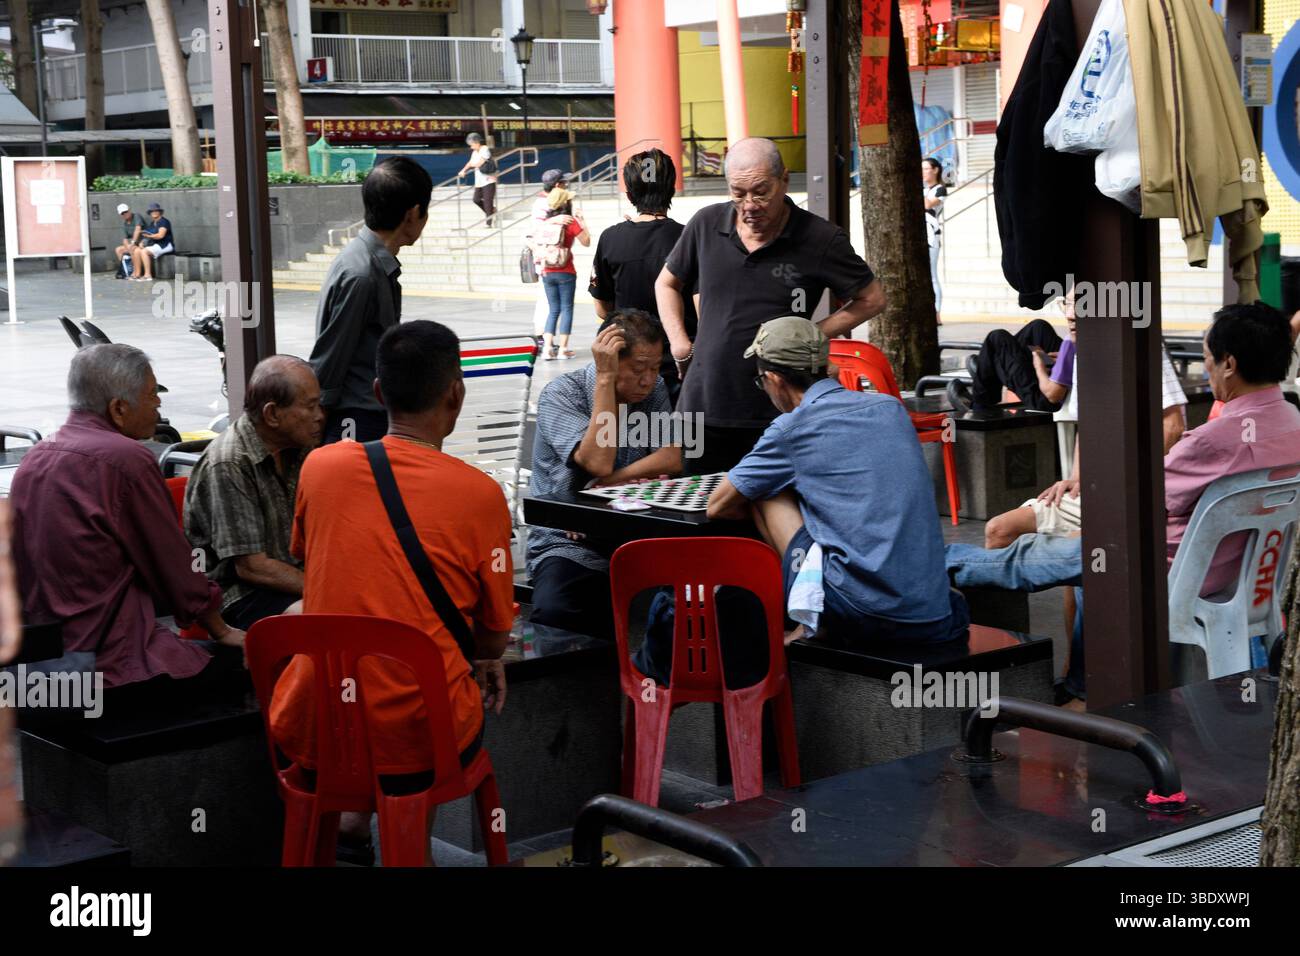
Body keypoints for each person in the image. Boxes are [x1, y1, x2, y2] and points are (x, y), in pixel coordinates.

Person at [946, 302, 1300, 701]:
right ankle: (1082, 689)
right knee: (1079, 569)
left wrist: (1094, 524)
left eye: (1207, 360)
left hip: (1160, 571)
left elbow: (1134, 505)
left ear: (1229, 364)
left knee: (1033, 553)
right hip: (1243, 577)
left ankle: (939, 565)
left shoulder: (1214, 442)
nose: (1206, 370)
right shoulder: (1293, 423)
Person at [270, 320, 513, 862]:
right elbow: (494, 637)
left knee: (378, 687)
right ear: (457, 392)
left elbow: (322, 566)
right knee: (426, 697)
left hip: (316, 721)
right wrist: (486, 656)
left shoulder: (319, 466)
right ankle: (409, 850)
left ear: (378, 393)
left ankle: (354, 828)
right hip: (416, 733)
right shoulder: (480, 494)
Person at [9, 344, 245, 691]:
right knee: (253, 665)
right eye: (152, 394)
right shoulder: (126, 460)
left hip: (39, 663)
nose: (158, 404)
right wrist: (221, 628)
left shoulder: (36, 457)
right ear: (118, 408)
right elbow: (175, 566)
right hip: (107, 666)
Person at [655, 137, 886, 473]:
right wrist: (679, 343)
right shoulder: (705, 224)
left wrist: (810, 333)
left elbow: (872, 299)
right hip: (703, 402)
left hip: (777, 407)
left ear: (785, 180)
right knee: (702, 512)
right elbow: (666, 283)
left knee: (771, 514)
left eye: (761, 191)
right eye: (738, 193)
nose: (749, 205)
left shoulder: (820, 238)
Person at [981, 295, 1188, 548]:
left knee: (1072, 546)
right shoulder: (1083, 353)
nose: (1070, 314)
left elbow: (1173, 426)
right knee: (998, 529)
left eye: (1081, 302)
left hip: (1134, 494)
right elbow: (1087, 426)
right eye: (1066, 304)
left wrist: (1127, 484)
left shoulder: (1141, 349)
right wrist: (1076, 477)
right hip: (1096, 487)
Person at [527, 311, 682, 639]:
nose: (648, 379)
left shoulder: (652, 392)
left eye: (655, 368)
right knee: (556, 612)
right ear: (608, 362)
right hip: (565, 541)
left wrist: (607, 483)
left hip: (632, 535)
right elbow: (597, 461)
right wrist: (604, 381)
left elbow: (671, 456)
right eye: (638, 369)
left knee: (687, 602)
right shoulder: (561, 394)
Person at [184, 356, 325, 631]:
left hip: (291, 576)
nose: (320, 415)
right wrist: (326, 590)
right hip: (239, 592)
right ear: (272, 414)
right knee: (321, 623)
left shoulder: (300, 446)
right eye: (310, 406)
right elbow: (251, 567)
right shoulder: (230, 462)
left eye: (319, 404)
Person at [310, 156, 432, 444]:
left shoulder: (371, 263)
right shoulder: (362, 274)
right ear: (412, 214)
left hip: (367, 411)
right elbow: (330, 356)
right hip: (354, 417)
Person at [590, 148, 697, 406]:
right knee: (679, 441)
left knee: (630, 442)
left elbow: (603, 309)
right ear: (671, 188)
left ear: (629, 193)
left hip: (627, 368)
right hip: (681, 369)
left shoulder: (610, 238)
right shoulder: (690, 238)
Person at [533, 180, 590, 361]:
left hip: (547, 270)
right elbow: (586, 241)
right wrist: (582, 221)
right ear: (566, 202)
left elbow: (533, 238)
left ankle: (548, 349)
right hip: (566, 270)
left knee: (553, 309)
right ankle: (563, 349)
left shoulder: (546, 222)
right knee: (567, 308)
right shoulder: (569, 221)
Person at [922, 158, 947, 322]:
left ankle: (936, 313)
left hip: (932, 236)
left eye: (925, 169)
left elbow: (928, 205)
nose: (923, 172)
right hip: (921, 234)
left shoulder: (940, 189)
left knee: (932, 275)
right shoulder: (925, 189)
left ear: (935, 170)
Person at [458, 132, 497, 227]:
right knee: (476, 199)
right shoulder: (474, 152)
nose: (471, 147)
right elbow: (470, 163)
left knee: (488, 201)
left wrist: (472, 165)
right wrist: (463, 170)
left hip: (489, 180)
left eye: (472, 145)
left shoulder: (485, 149)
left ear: (477, 142)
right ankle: (492, 211)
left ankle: (489, 222)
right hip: (479, 181)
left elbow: (480, 163)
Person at [129, 202, 175, 282]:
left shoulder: (164, 221)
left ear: (160, 212)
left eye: (156, 210)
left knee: (144, 251)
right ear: (150, 213)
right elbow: (146, 234)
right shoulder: (152, 223)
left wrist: (149, 236)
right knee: (136, 250)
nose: (154, 212)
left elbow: (161, 235)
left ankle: (147, 275)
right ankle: (137, 274)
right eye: (152, 211)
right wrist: (142, 242)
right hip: (156, 245)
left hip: (166, 245)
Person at [113, 203, 145, 280]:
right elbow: (125, 239)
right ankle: (127, 270)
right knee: (119, 250)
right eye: (122, 213)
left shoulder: (137, 216)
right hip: (132, 244)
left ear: (129, 210)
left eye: (126, 211)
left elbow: (138, 229)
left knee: (134, 250)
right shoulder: (125, 223)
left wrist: (132, 243)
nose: (125, 214)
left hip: (143, 242)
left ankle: (137, 273)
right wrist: (128, 246)